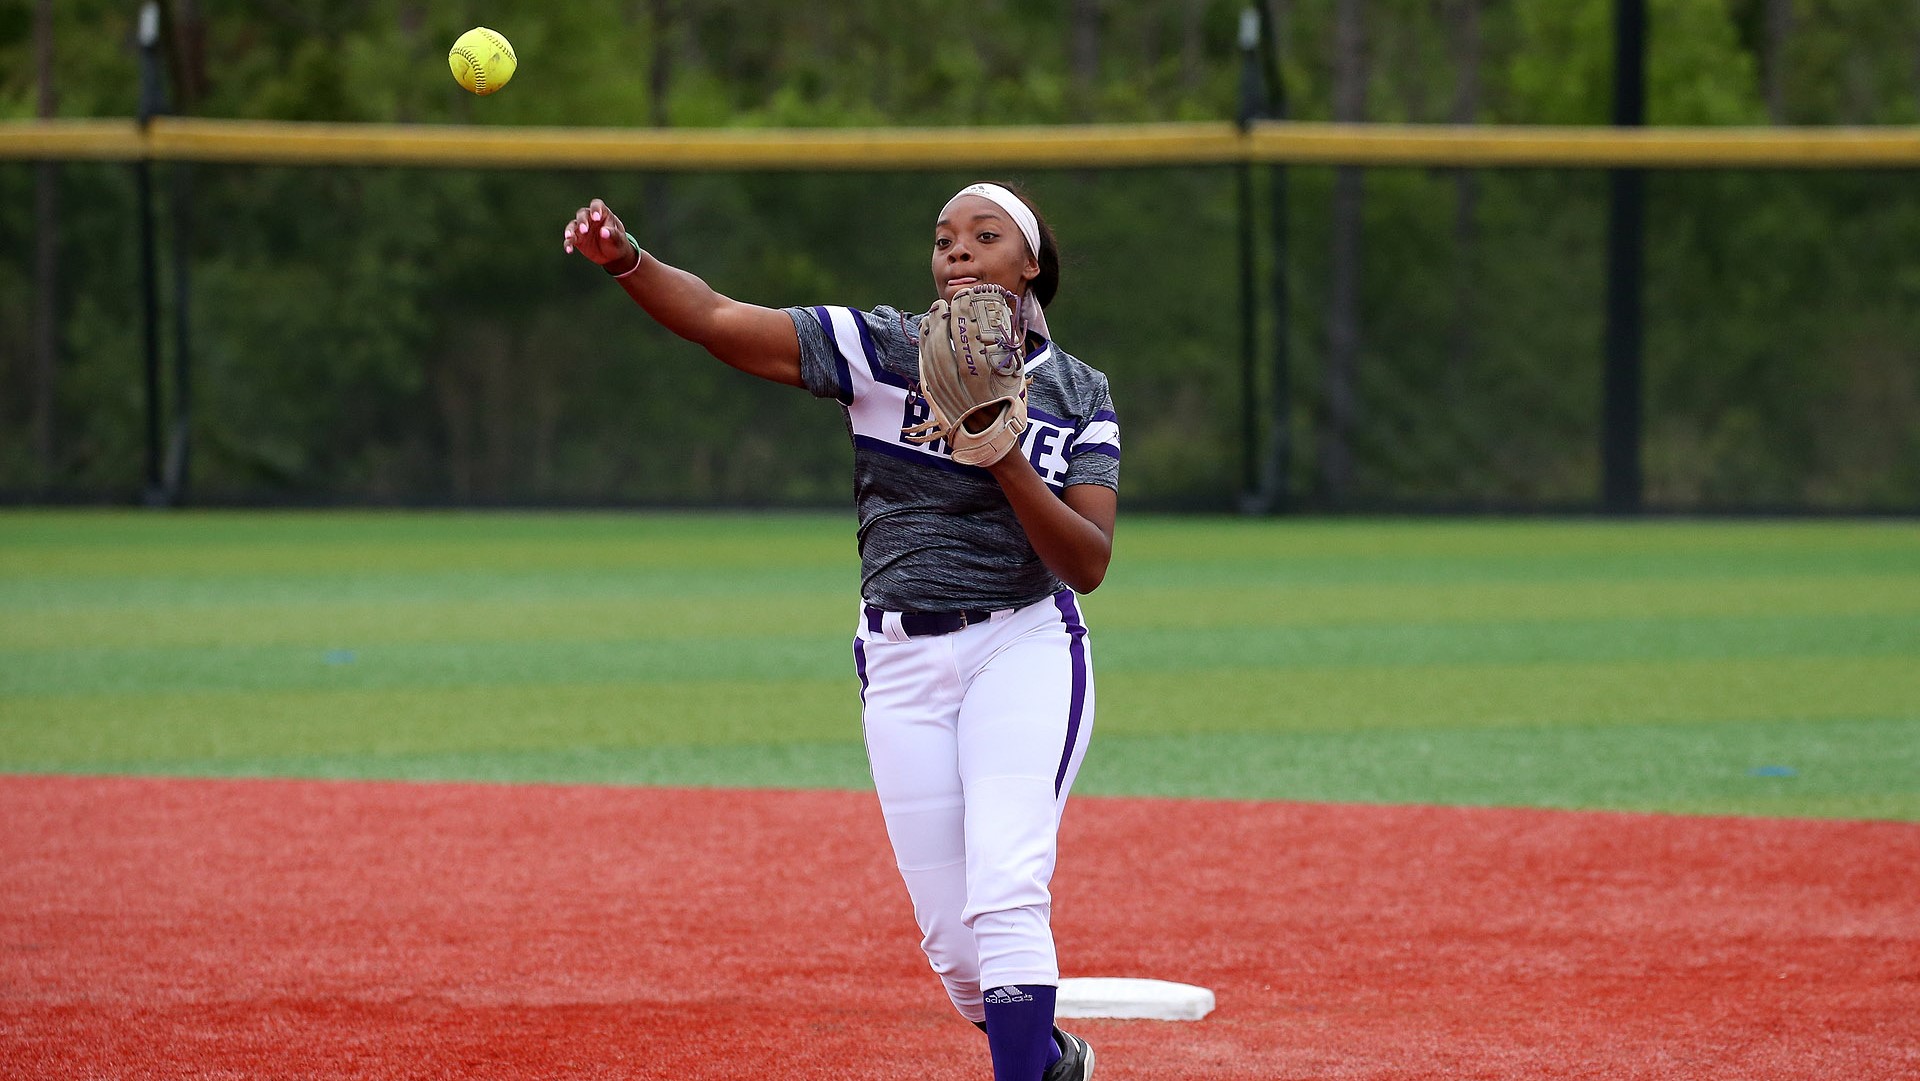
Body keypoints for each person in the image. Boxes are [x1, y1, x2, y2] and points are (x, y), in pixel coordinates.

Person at [563, 181, 1118, 1081]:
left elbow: (1087, 559)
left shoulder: (1079, 391)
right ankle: (1051, 1059)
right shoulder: (886, 347)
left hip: (1021, 643)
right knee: (955, 952)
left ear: (1032, 267)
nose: (958, 251)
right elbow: (716, 318)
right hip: (900, 659)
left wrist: (999, 450)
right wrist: (627, 259)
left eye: (984, 235)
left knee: (1006, 888)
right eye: (943, 239)